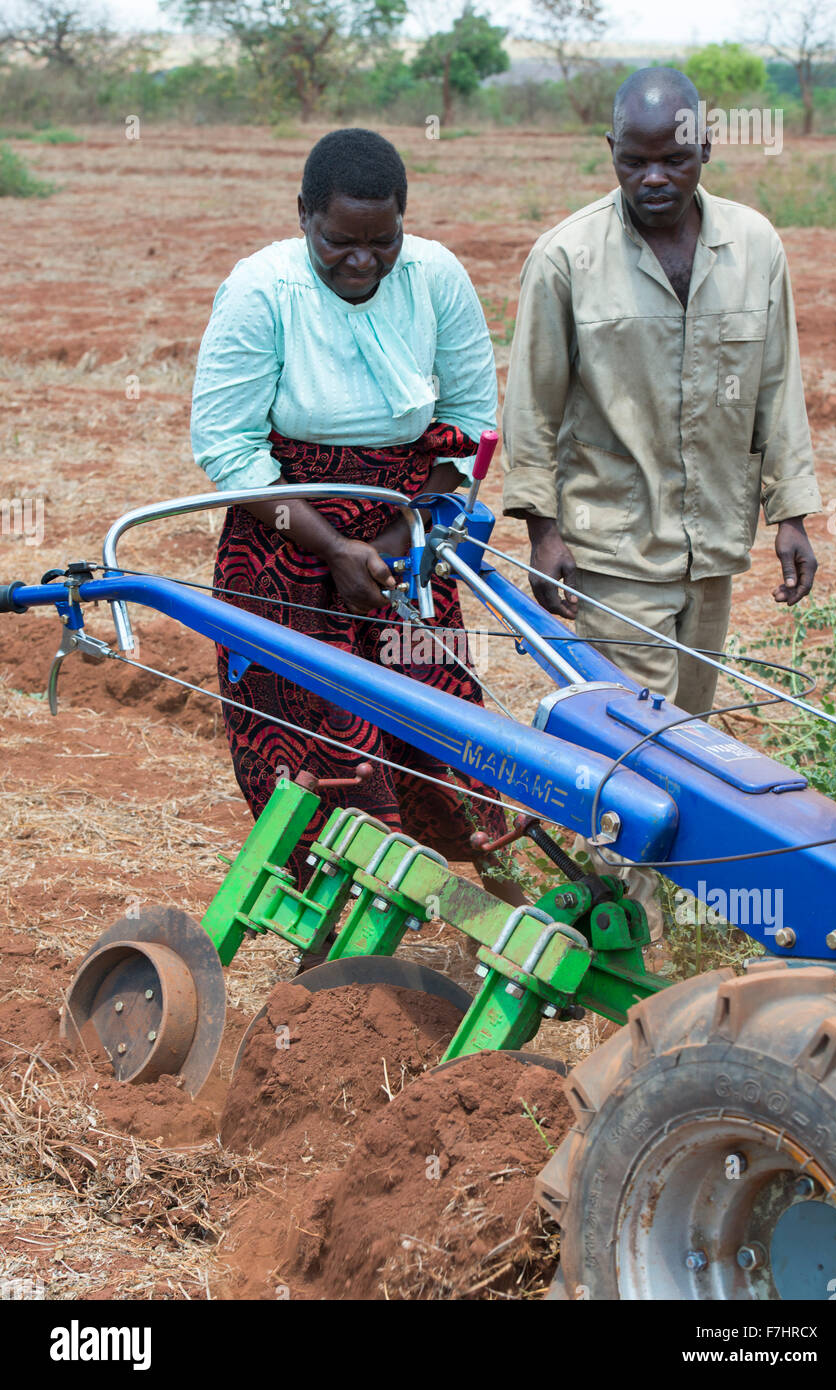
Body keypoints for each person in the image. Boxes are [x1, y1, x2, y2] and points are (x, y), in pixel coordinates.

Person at [191, 128, 517, 896]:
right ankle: (333, 911)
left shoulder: (436, 278)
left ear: (404, 219)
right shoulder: (260, 291)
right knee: (310, 739)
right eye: (339, 241)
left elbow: (470, 418)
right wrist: (334, 548)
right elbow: (229, 449)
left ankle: (486, 882)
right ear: (303, 215)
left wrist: (405, 531)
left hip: (405, 535)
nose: (361, 260)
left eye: (383, 240)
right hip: (282, 535)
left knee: (435, 713)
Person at [502, 68, 822, 716]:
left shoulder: (754, 246)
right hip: (612, 545)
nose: (653, 178)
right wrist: (542, 532)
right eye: (634, 161)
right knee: (638, 743)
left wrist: (790, 514)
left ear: (704, 147)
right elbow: (530, 407)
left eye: (674, 160)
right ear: (610, 151)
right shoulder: (565, 257)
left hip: (712, 549)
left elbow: (776, 383)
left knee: (693, 730)